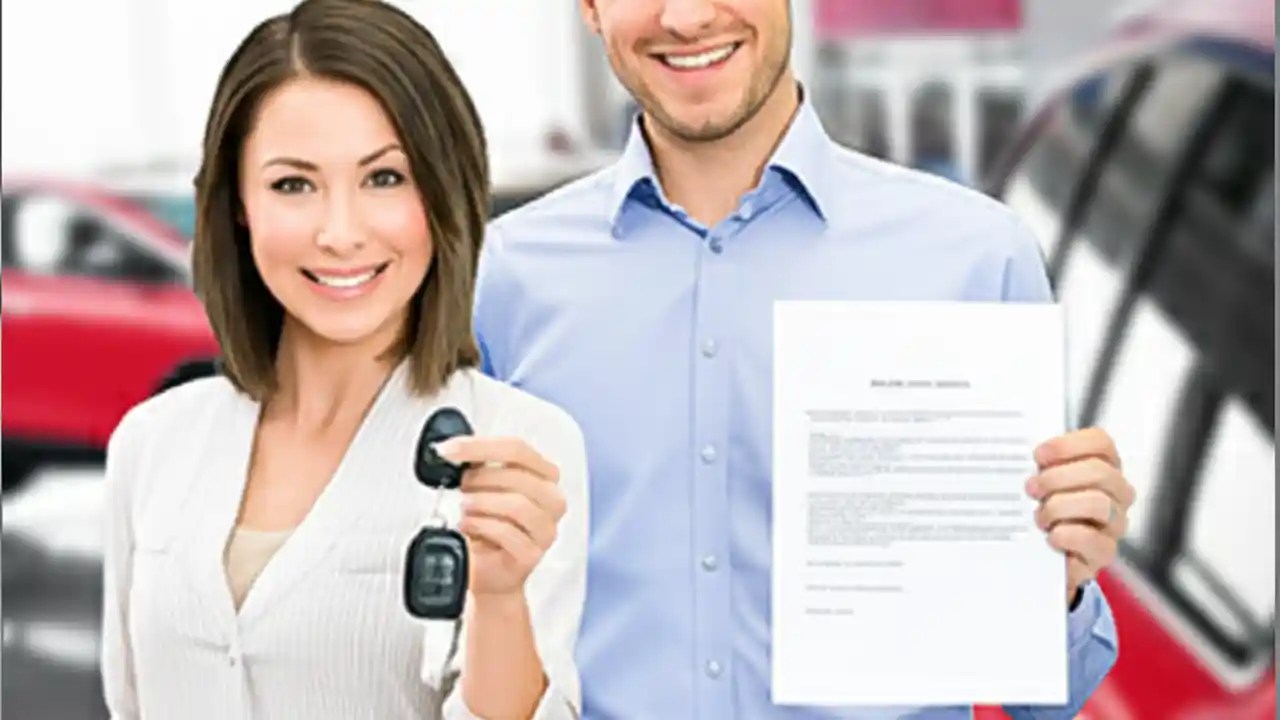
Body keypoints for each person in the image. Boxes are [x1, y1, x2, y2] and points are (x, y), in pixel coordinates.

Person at [473, 1, 1135, 718]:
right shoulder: (505, 279)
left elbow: (1046, 701)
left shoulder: (976, 257)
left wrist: (1056, 585)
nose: (688, 17)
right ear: (591, 8)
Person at [99, 2, 587, 718]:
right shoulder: (153, 442)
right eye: (293, 184)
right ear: (239, 204)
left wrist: (501, 597)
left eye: (384, 178)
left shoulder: (520, 447)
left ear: (441, 188)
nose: (340, 232)